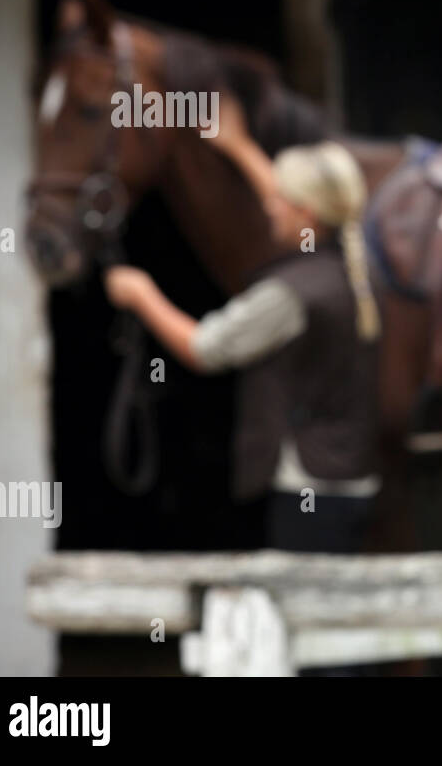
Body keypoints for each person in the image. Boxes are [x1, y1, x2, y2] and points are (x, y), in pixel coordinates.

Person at [104, 131, 383, 555]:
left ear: (306, 212)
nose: (269, 206)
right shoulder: (357, 276)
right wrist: (239, 146)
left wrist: (142, 295)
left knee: (302, 612)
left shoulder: (290, 294)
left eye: (280, 199)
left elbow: (205, 348)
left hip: (305, 489)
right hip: (352, 482)